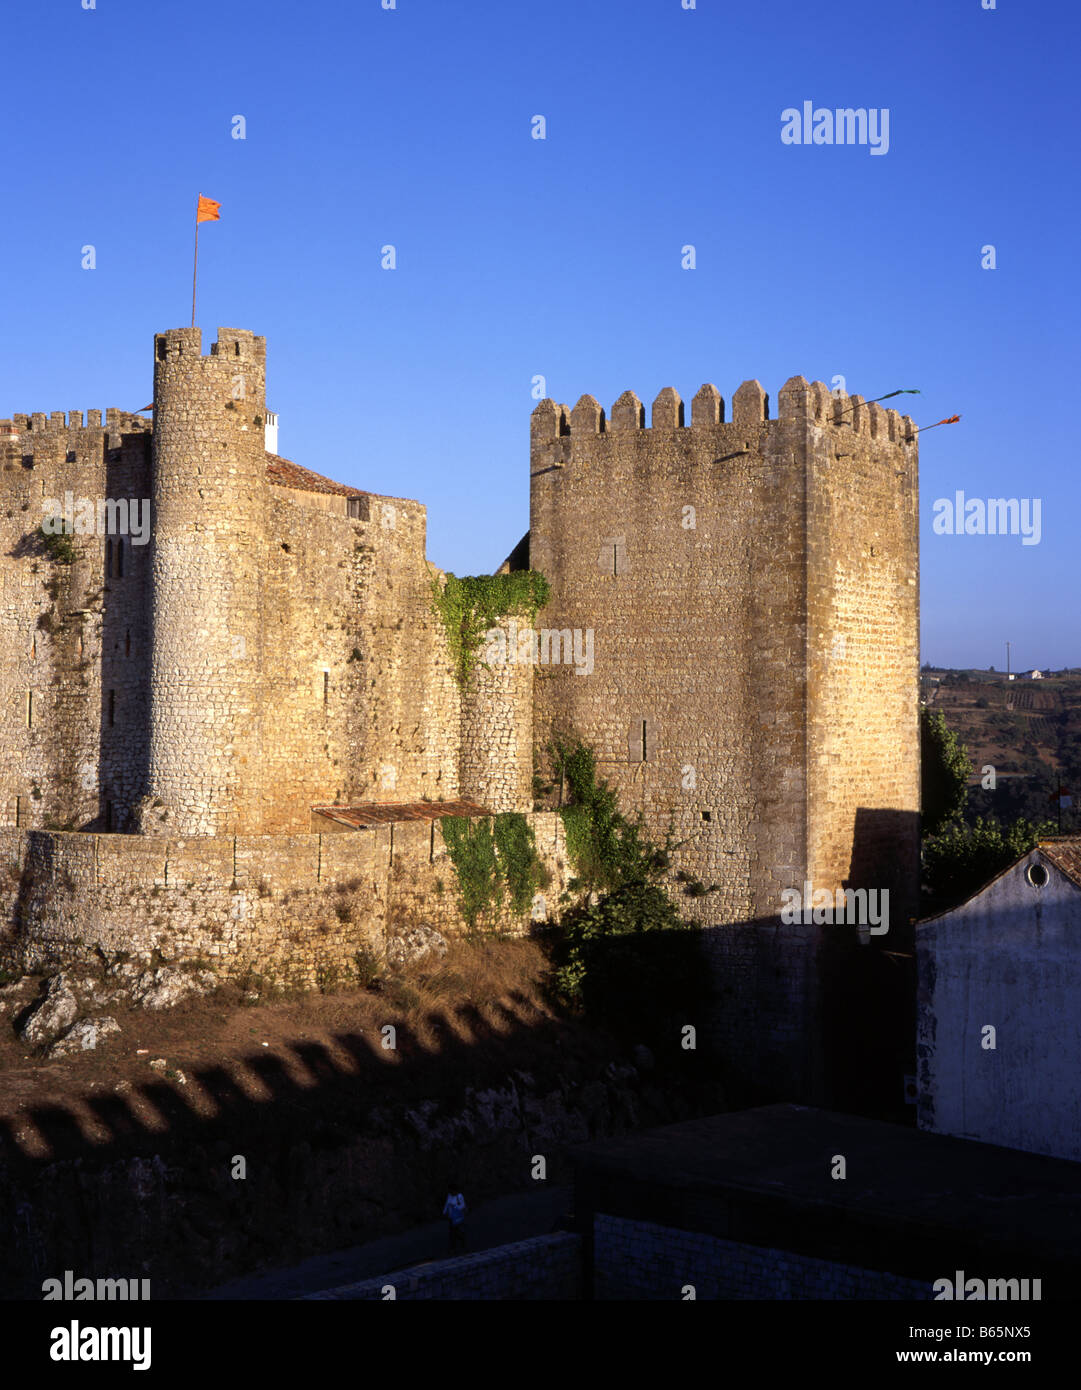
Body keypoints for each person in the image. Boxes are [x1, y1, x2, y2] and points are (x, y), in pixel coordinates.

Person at [443, 1185, 467, 1253]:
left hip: (458, 1217)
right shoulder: (449, 1196)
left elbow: (463, 1205)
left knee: (458, 1232)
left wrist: (455, 1207)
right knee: (452, 1233)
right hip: (452, 1217)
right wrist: (444, 1212)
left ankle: (462, 1247)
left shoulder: (459, 1196)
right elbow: (447, 1204)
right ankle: (454, 1248)